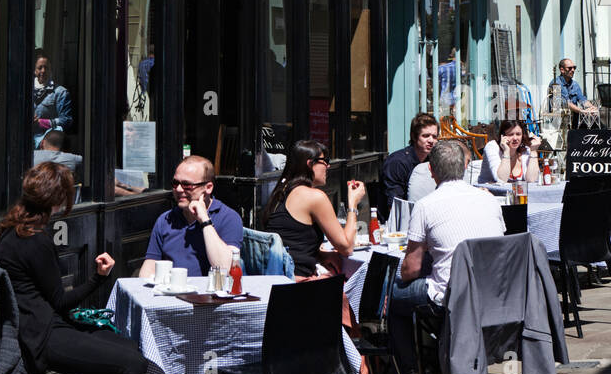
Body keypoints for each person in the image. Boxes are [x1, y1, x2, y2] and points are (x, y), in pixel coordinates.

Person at [0, 162, 148, 374]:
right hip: (43, 337)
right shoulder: (36, 241)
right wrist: (98, 277)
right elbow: (60, 301)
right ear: (56, 201)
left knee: (126, 349)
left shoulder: (12, 231)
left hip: (40, 327)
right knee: (131, 364)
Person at [387, 138, 506, 374]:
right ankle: (440, 352)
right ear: (464, 167)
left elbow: (410, 270)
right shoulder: (489, 199)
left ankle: (414, 373)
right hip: (492, 292)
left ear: (431, 171)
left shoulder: (425, 206)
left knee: (391, 297)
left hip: (451, 297)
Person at [262, 140, 366, 335]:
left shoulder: (280, 192)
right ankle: (359, 360)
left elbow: (290, 238)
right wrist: (353, 204)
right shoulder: (313, 196)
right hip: (301, 288)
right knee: (363, 294)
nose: (328, 166)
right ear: (310, 164)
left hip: (278, 283)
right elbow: (346, 247)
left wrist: (319, 254)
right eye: (324, 161)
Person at [138, 154, 243, 278]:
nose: (179, 189)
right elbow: (149, 267)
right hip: (171, 293)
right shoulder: (165, 220)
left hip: (210, 294)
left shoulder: (228, 218)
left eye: (187, 185)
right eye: (175, 183)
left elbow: (225, 269)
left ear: (208, 188)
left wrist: (205, 221)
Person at [381, 114, 439, 217]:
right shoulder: (397, 162)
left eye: (434, 136)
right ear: (413, 136)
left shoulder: (433, 160)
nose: (431, 141)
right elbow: (395, 206)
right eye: (425, 136)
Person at [479, 118, 541, 184]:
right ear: (502, 136)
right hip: (489, 191)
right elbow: (501, 180)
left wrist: (534, 151)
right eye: (510, 134)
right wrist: (506, 151)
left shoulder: (526, 150)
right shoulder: (492, 147)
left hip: (517, 192)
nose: (515, 138)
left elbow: (532, 180)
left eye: (518, 134)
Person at [33, 53, 72, 134]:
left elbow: (66, 120)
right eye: (40, 68)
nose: (43, 71)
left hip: (47, 139)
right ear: (34, 70)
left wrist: (42, 122)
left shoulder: (61, 92)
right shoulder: (25, 90)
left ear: (50, 70)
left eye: (46, 68)